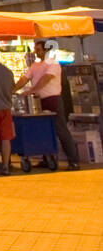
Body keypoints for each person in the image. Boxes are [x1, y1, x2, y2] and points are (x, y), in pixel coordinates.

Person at [15, 41, 81, 170]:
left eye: (38, 49)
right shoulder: (35, 65)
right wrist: (13, 89)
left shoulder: (53, 64)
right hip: (41, 101)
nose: (35, 52)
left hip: (53, 99)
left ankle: (74, 160)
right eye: (35, 49)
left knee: (61, 131)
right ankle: (47, 158)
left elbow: (45, 79)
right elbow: (24, 78)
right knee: (43, 130)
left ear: (46, 50)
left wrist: (32, 90)